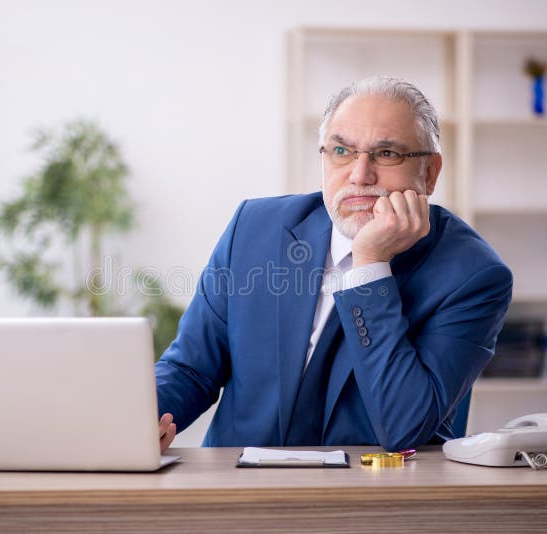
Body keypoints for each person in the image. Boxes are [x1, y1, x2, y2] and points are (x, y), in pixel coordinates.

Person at [155, 76, 512, 452]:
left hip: (369, 486)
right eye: (342, 151)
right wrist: (142, 417)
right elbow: (190, 369)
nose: (360, 175)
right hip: (235, 480)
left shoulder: (473, 276)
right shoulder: (253, 228)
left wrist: (370, 266)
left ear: (430, 172)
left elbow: (405, 428)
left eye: (386, 153)